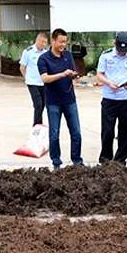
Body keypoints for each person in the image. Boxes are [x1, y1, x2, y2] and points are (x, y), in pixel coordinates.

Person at [37, 28, 84, 169]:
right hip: (53, 102)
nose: (63, 44)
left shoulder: (68, 55)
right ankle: (56, 162)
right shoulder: (43, 59)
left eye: (65, 42)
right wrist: (62, 74)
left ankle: (77, 161)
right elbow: (45, 78)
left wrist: (74, 77)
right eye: (61, 42)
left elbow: (72, 72)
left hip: (70, 100)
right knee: (54, 134)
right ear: (53, 41)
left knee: (76, 132)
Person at [97, 32, 127, 165]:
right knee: (107, 131)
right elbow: (99, 74)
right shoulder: (106, 55)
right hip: (109, 99)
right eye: (119, 49)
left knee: (125, 131)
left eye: (124, 50)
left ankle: (120, 161)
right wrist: (108, 83)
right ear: (115, 44)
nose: (121, 52)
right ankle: (105, 159)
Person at [19, 32, 48, 126]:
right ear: (37, 40)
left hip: (43, 83)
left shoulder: (46, 53)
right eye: (43, 42)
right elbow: (22, 67)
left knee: (43, 104)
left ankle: (39, 124)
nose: (44, 44)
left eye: (45, 43)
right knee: (38, 104)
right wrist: (27, 79)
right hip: (32, 83)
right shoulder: (28, 52)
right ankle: (36, 126)